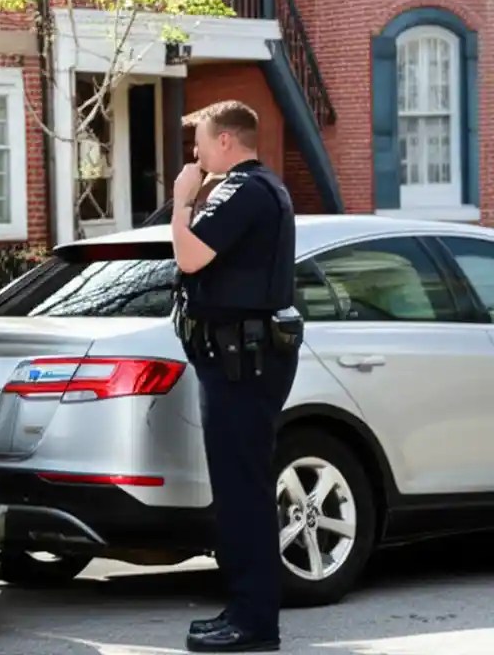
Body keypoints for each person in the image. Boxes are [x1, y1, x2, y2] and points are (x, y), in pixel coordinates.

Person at [170, 100, 303, 653]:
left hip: (241, 363)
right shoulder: (247, 190)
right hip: (235, 358)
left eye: (200, 141)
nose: (194, 154)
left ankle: (253, 622)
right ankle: (245, 610)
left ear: (226, 141)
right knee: (239, 488)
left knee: (243, 491)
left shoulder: (243, 190)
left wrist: (183, 199)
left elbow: (190, 256)